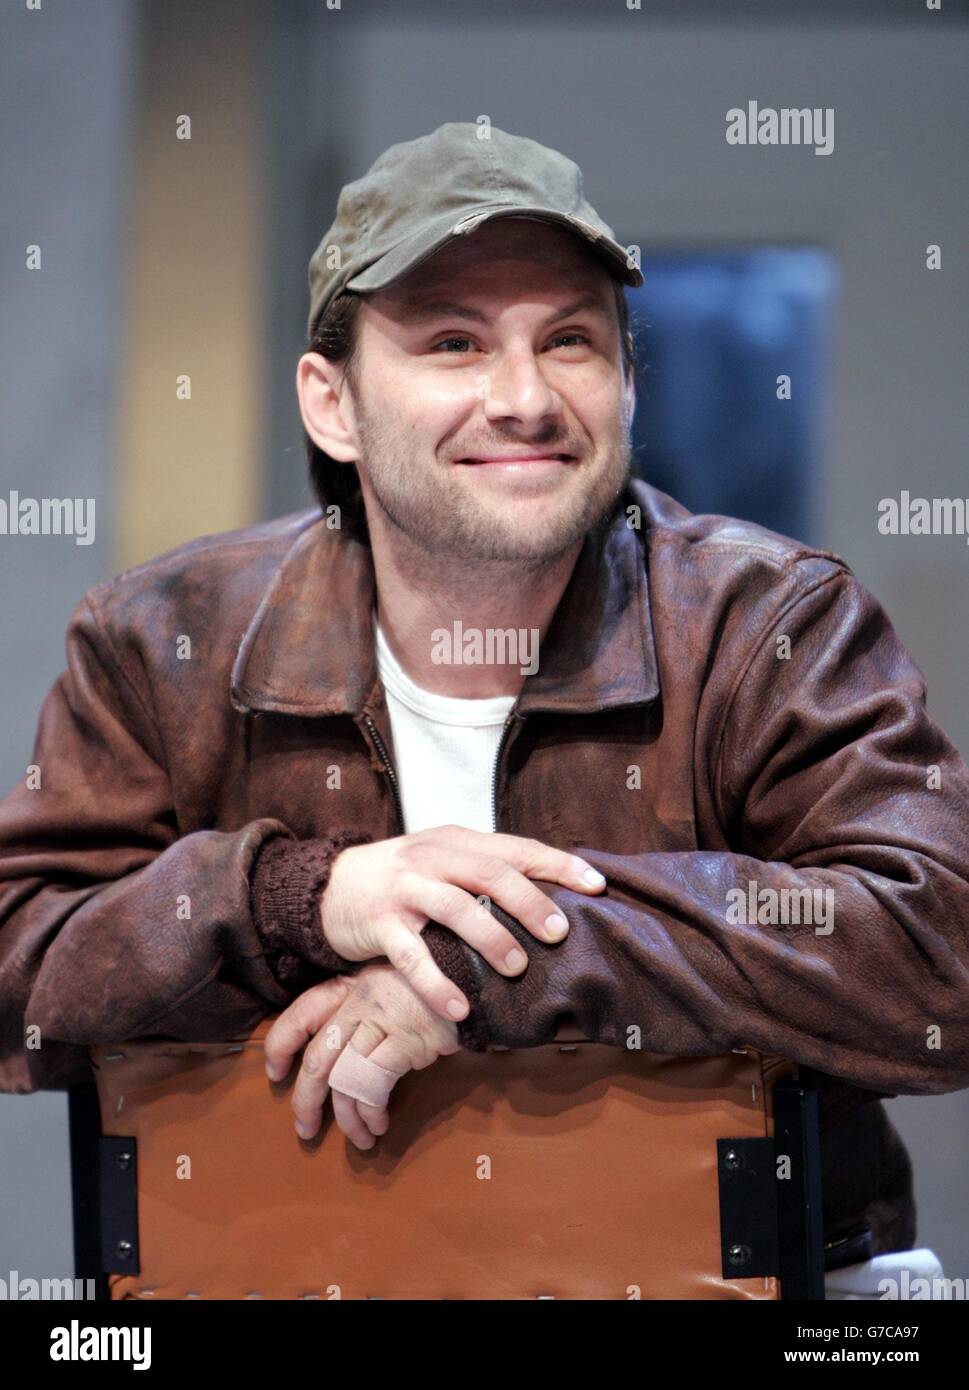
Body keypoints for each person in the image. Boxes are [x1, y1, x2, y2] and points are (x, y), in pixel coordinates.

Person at [1, 123, 966, 1300]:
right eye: (453, 342)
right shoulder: (161, 637)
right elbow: (22, 963)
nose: (523, 397)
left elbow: (936, 954)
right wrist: (298, 901)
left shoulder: (771, 620)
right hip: (291, 1277)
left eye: (569, 340)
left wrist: (478, 966)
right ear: (333, 404)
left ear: (622, 380)